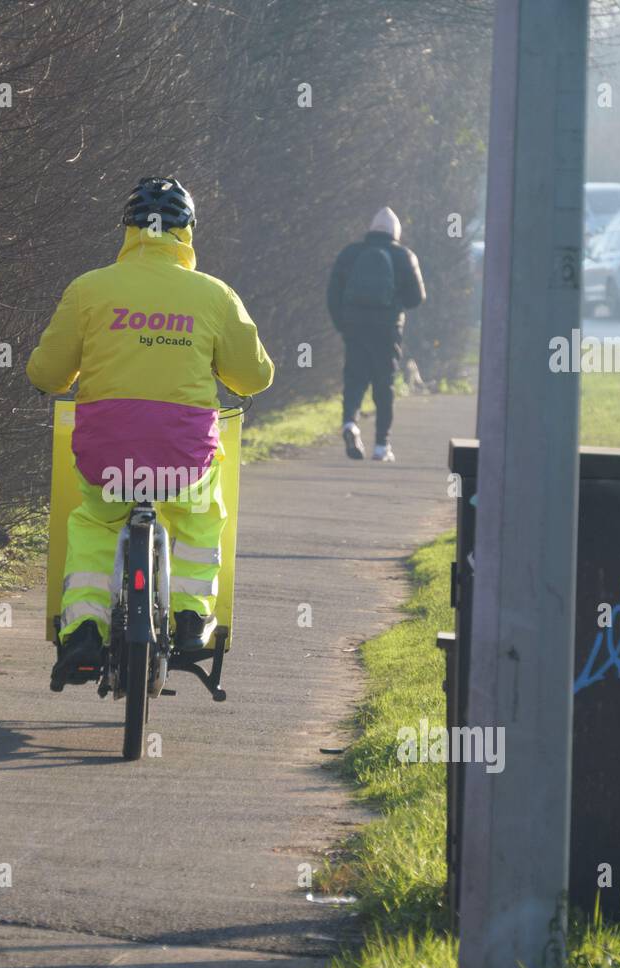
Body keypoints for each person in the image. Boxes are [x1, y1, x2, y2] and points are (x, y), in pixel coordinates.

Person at [28, 177, 274, 686]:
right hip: (181, 455)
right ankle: (189, 616)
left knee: (95, 523)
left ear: (128, 231)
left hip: (107, 450)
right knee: (201, 513)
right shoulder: (214, 295)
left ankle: (83, 634)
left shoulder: (89, 289)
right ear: (187, 233)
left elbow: (47, 376)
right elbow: (253, 377)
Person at [327, 206, 426, 462]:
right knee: (385, 384)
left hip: (355, 329)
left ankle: (350, 422)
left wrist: (343, 324)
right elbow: (417, 298)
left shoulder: (350, 254)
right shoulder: (404, 256)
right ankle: (382, 445)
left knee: (354, 379)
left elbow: (332, 294)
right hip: (387, 331)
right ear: (396, 232)